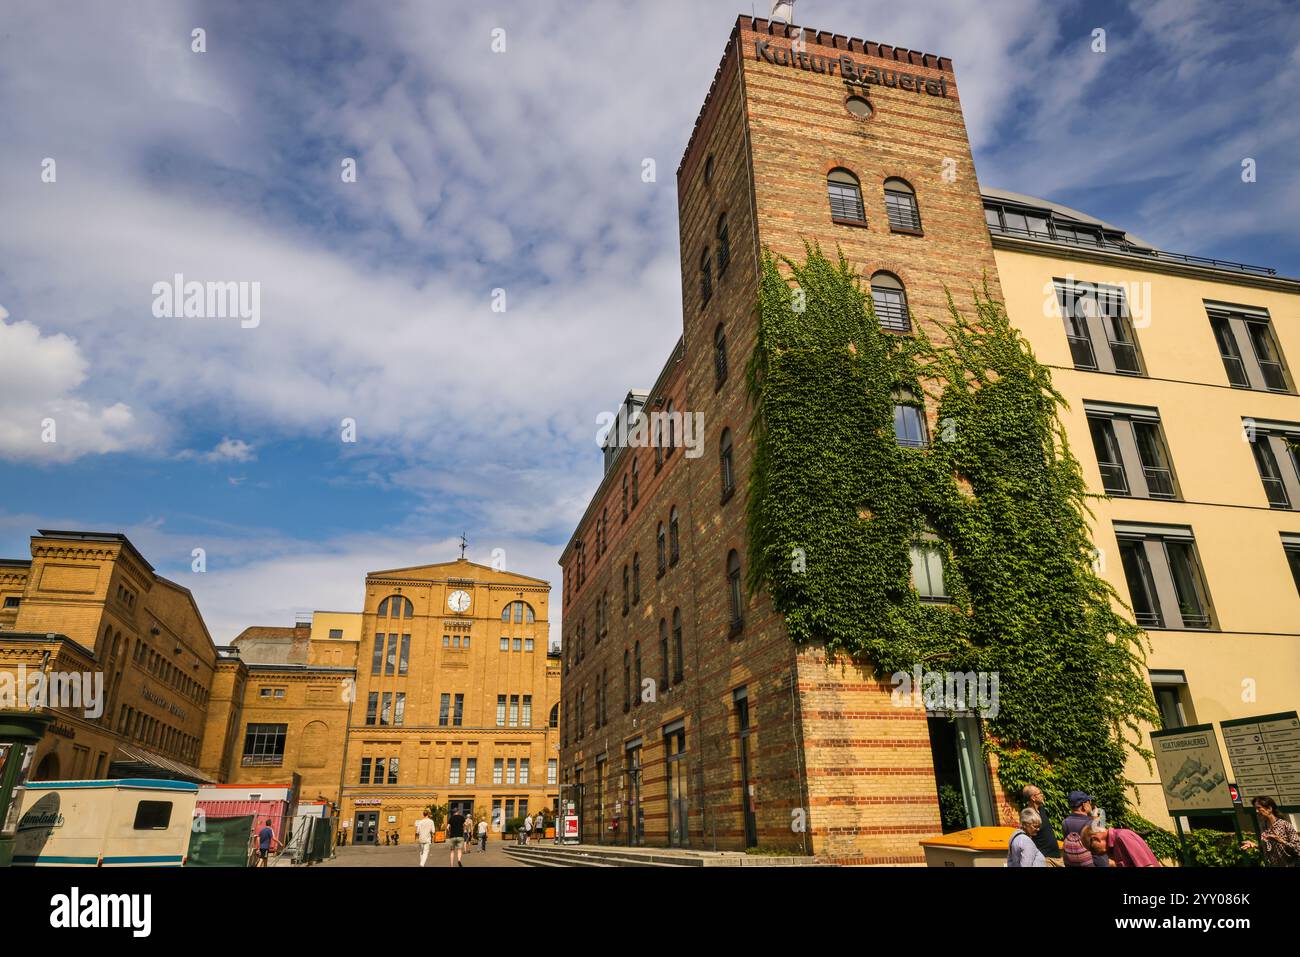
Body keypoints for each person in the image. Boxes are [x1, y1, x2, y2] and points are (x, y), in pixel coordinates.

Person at [1241, 795, 1300, 866]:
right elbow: (1268, 849)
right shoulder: (1263, 827)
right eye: (1255, 808)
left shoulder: (1285, 825)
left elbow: (1298, 848)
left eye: (1259, 808)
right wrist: (1255, 845)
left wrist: (1281, 841)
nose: (1256, 811)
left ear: (1269, 808)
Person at [1061, 791, 1108, 867]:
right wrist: (1095, 820)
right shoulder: (1091, 823)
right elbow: (1100, 852)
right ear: (1084, 805)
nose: (1090, 804)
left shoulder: (1065, 823)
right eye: (1089, 802)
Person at [1083, 822, 1161, 867]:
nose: (1095, 853)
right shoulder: (1114, 846)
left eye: (1092, 849)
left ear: (1095, 838)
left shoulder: (1122, 837)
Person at [1020, 785, 1062, 866]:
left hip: (1056, 856)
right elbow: (1027, 838)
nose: (1042, 795)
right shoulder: (1028, 815)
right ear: (1033, 798)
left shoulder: (1041, 809)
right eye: (1040, 793)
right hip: (1045, 859)